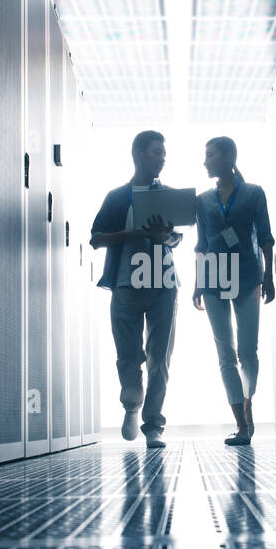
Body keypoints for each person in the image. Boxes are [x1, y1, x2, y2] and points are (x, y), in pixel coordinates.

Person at [90, 130, 183, 449]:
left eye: (164, 152)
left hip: (164, 283)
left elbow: (176, 239)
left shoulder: (168, 194)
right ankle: (132, 404)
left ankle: (153, 425)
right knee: (128, 355)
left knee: (160, 357)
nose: (163, 157)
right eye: (158, 151)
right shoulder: (118, 196)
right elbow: (96, 238)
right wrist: (132, 233)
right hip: (127, 283)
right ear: (139, 154)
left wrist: (162, 236)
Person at [191, 136, 274, 446]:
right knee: (225, 353)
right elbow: (201, 244)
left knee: (247, 351)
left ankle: (249, 405)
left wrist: (269, 276)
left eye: (210, 155)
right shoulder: (201, 201)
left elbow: (265, 235)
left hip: (248, 275)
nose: (205, 161)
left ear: (228, 157)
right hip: (213, 279)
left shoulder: (254, 193)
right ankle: (240, 424)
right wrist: (199, 281)